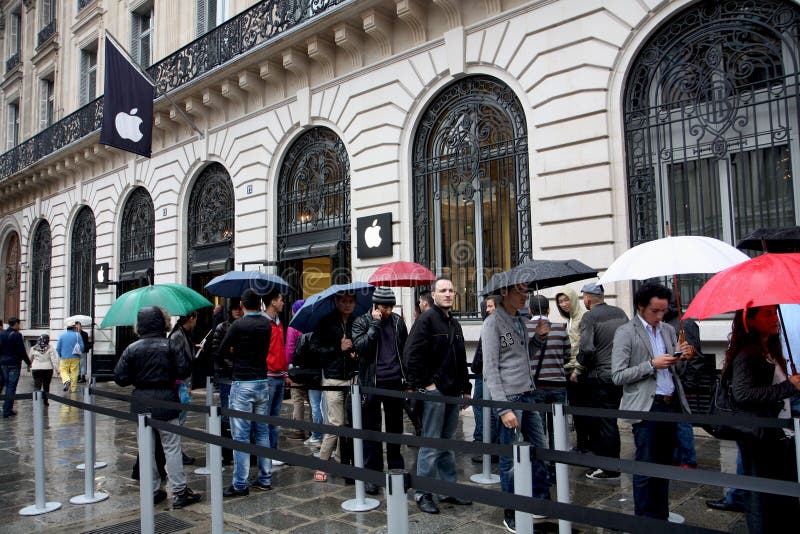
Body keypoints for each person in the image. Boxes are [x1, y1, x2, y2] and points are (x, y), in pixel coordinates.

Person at [611, 283, 692, 519]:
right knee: (646, 464)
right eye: (655, 311)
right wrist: (651, 365)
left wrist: (682, 357)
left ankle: (660, 515)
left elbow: (675, 371)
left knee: (664, 465)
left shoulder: (668, 329)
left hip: (670, 403)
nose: (659, 316)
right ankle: (645, 519)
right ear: (641, 307)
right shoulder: (626, 332)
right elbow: (617, 375)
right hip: (647, 406)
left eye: (664, 310)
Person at [114, 306, 202, 508]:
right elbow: (183, 370)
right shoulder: (170, 345)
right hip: (166, 401)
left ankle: (152, 490)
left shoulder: (132, 348)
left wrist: (139, 376)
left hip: (142, 401)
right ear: (164, 323)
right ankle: (179, 491)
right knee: (172, 448)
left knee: (146, 450)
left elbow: (120, 377)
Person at [725, 305, 800, 533]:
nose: (774, 318)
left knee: (779, 495)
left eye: (774, 312)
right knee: (761, 497)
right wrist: (788, 387)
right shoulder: (749, 353)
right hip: (760, 436)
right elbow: (743, 394)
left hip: (778, 434)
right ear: (750, 321)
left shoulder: (769, 349)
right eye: (767, 314)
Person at [482, 284, 551, 531]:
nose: (525, 296)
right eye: (520, 292)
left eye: (527, 292)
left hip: (528, 394)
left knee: (540, 448)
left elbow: (524, 355)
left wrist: (538, 339)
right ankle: (511, 511)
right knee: (510, 458)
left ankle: (540, 501)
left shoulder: (520, 320)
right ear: (505, 293)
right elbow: (490, 369)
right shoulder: (492, 324)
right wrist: (503, 409)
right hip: (510, 398)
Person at [404, 278, 472, 515]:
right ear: (433, 295)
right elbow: (411, 355)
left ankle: (447, 489)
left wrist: (466, 388)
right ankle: (423, 493)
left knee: (447, 443)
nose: (448, 294)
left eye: (451, 290)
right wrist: (427, 384)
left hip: (453, 392)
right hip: (435, 393)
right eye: (443, 290)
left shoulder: (454, 323)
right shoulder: (425, 320)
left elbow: (460, 358)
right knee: (431, 443)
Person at [352, 286, 409, 495]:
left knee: (395, 428)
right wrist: (375, 325)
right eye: (385, 307)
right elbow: (362, 348)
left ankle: (396, 468)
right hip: (372, 383)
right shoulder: (361, 322)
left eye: (391, 306)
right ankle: (372, 475)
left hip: (395, 382)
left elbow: (405, 350)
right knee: (371, 430)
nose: (388, 310)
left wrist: (407, 380)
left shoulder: (397, 322)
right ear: (375, 305)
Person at [217, 289, 274, 496]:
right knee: (262, 432)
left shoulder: (238, 325)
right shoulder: (266, 324)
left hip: (242, 382)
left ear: (242, 305)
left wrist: (236, 352)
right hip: (262, 381)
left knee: (240, 435)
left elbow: (222, 350)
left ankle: (240, 483)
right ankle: (265, 478)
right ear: (260, 304)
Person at [576, 283, 628, 479]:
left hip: (599, 376)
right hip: (619, 374)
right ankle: (611, 464)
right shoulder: (620, 313)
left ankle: (609, 468)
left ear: (588, 299)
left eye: (584, 297)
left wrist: (580, 363)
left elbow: (587, 348)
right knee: (610, 420)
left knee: (603, 422)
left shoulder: (589, 316)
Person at [309, 291, 359, 482]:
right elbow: (314, 348)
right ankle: (322, 463)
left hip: (352, 378)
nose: (348, 304)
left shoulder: (356, 321)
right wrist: (338, 348)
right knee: (336, 423)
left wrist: (355, 353)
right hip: (333, 379)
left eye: (351, 301)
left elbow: (360, 345)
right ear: (337, 302)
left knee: (348, 422)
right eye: (344, 301)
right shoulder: (326, 322)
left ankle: (340, 460)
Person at [527, 294, 571, 450]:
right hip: (558, 385)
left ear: (530, 310)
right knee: (557, 430)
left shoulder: (524, 329)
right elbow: (567, 356)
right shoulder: (560, 328)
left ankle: (541, 461)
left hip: (535, 385)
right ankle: (556, 461)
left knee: (537, 430)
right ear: (549, 310)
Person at [664, 301, 703, 470]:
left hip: (683, 381)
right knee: (674, 421)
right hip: (673, 380)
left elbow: (695, 356)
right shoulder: (666, 323)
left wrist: (689, 383)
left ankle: (688, 459)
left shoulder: (684, 324)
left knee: (683, 422)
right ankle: (677, 456)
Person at [555, 285, 590, 453]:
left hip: (579, 371)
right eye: (560, 302)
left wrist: (577, 369)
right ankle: (582, 443)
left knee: (581, 410)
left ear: (573, 299)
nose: (563, 304)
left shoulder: (582, 318)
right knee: (576, 411)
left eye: (566, 300)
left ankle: (584, 445)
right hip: (569, 369)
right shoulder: (569, 319)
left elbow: (583, 346)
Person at [211, 299, 242, 465]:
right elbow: (218, 351)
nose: (237, 311)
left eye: (239, 309)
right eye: (234, 309)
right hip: (226, 375)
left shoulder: (244, 326)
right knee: (226, 411)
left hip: (240, 374)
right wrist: (230, 362)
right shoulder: (222, 327)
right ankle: (227, 451)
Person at [471, 295, 499, 462]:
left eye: (489, 306)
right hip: (489, 374)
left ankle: (488, 444)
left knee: (486, 409)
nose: (486, 310)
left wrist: (476, 367)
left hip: (490, 376)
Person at [169, 311, 198, 466]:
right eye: (196, 319)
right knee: (178, 421)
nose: (196, 323)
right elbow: (178, 362)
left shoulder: (182, 334)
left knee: (179, 420)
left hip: (182, 383)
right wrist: (184, 384)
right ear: (191, 318)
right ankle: (176, 453)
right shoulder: (177, 336)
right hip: (180, 384)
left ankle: (177, 451)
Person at [262, 289, 287, 465]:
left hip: (279, 375)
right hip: (269, 375)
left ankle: (273, 451)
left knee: (274, 418)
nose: (283, 303)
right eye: (280, 299)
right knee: (266, 417)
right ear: (273, 302)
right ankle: (267, 453)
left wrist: (285, 372)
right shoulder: (264, 323)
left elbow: (281, 348)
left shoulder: (279, 322)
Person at [0, 317, 31, 417]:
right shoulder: (17, 335)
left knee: (6, 385)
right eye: (19, 324)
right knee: (11, 386)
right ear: (16, 324)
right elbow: (22, 350)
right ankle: (7, 410)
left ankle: (7, 409)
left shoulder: (2, 334)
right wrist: (28, 362)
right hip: (14, 363)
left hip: (3, 363)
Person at [30, 334, 59, 405]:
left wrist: (29, 366)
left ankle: (36, 401)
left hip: (36, 368)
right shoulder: (50, 348)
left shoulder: (33, 348)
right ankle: (45, 401)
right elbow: (54, 360)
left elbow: (30, 358)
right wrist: (57, 369)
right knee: (46, 385)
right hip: (47, 369)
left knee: (37, 385)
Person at [56, 322, 84, 392]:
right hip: (75, 356)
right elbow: (82, 347)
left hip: (64, 357)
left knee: (63, 370)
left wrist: (60, 354)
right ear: (74, 328)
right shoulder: (78, 335)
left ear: (67, 328)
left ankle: (66, 380)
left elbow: (58, 348)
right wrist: (80, 353)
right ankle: (73, 388)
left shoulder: (62, 336)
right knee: (74, 372)